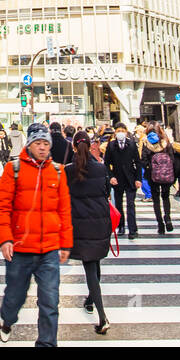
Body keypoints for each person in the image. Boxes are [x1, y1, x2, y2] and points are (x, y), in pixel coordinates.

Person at [0, 123, 73, 347]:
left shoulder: (57, 171)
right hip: (20, 248)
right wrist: (5, 239)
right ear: (29, 144)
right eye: (37, 143)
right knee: (14, 298)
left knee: (50, 302)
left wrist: (65, 243)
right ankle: (7, 320)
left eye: (45, 143)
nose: (42, 147)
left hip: (49, 248)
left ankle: (47, 343)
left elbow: (64, 210)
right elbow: (2, 207)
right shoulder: (14, 169)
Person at [66, 130, 112, 334]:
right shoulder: (101, 169)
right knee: (95, 263)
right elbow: (106, 193)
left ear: (74, 147)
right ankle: (91, 300)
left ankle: (102, 317)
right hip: (101, 221)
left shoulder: (69, 170)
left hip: (81, 223)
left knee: (90, 267)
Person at [104, 123, 141, 240]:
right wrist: (111, 177)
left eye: (122, 130)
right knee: (118, 204)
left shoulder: (132, 145)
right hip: (117, 179)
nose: (120, 132)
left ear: (126, 132)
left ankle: (133, 229)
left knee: (131, 204)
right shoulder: (111, 145)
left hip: (130, 179)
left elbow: (138, 162)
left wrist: (138, 179)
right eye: (118, 130)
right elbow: (106, 164)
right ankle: (121, 226)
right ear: (115, 132)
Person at [141, 128, 176, 234]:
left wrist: (149, 167)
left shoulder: (146, 144)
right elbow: (172, 159)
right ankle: (168, 218)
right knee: (166, 197)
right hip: (167, 174)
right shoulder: (166, 144)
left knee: (156, 200)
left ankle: (160, 224)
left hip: (152, 175)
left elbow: (143, 160)